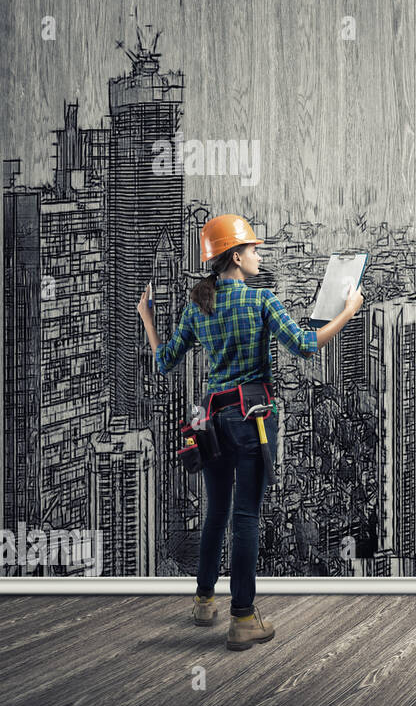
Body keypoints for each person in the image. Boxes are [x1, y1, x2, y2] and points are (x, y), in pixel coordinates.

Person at [137, 214, 364, 651]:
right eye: (254, 250)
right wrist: (349, 312)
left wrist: (147, 318)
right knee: (245, 517)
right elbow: (304, 345)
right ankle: (242, 618)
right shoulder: (262, 302)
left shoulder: (197, 305)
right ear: (236, 257)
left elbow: (164, 361)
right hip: (251, 417)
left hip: (209, 421)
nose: (259, 255)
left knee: (215, 513)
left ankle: (204, 601)